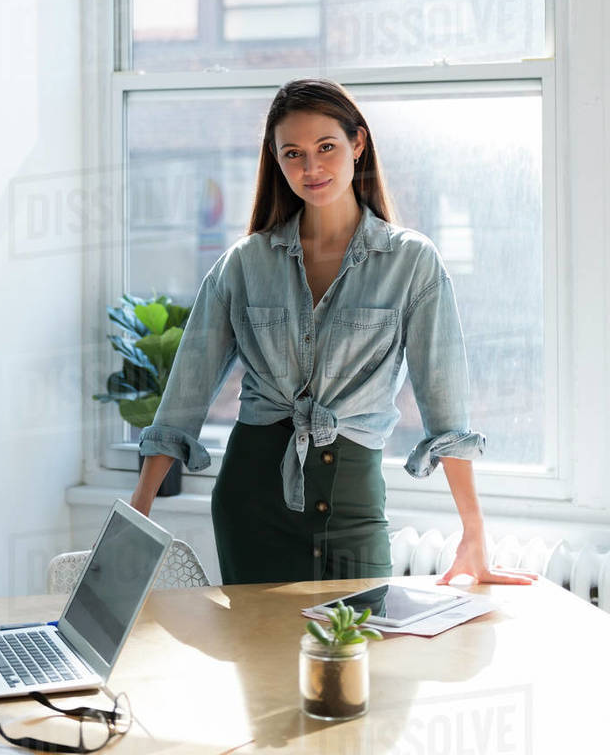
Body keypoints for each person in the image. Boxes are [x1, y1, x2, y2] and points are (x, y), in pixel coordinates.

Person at [131, 78, 536, 588]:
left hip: (353, 506)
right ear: (275, 160)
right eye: (293, 153)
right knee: (262, 664)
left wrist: (473, 531)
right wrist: (139, 513)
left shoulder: (412, 263)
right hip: (251, 502)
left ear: (358, 143)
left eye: (327, 147)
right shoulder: (244, 263)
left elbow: (445, 404)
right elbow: (184, 395)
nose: (311, 168)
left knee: (360, 657)